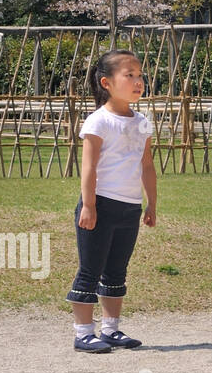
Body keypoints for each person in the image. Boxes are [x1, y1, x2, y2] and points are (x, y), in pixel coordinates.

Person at [67, 49, 157, 353]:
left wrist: (151, 204)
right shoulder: (98, 121)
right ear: (107, 82)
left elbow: (147, 165)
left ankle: (110, 330)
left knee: (117, 270)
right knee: (90, 269)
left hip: (129, 207)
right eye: (129, 75)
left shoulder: (142, 122)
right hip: (100, 206)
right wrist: (89, 205)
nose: (137, 81)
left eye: (140, 75)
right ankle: (83, 333)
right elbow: (89, 167)